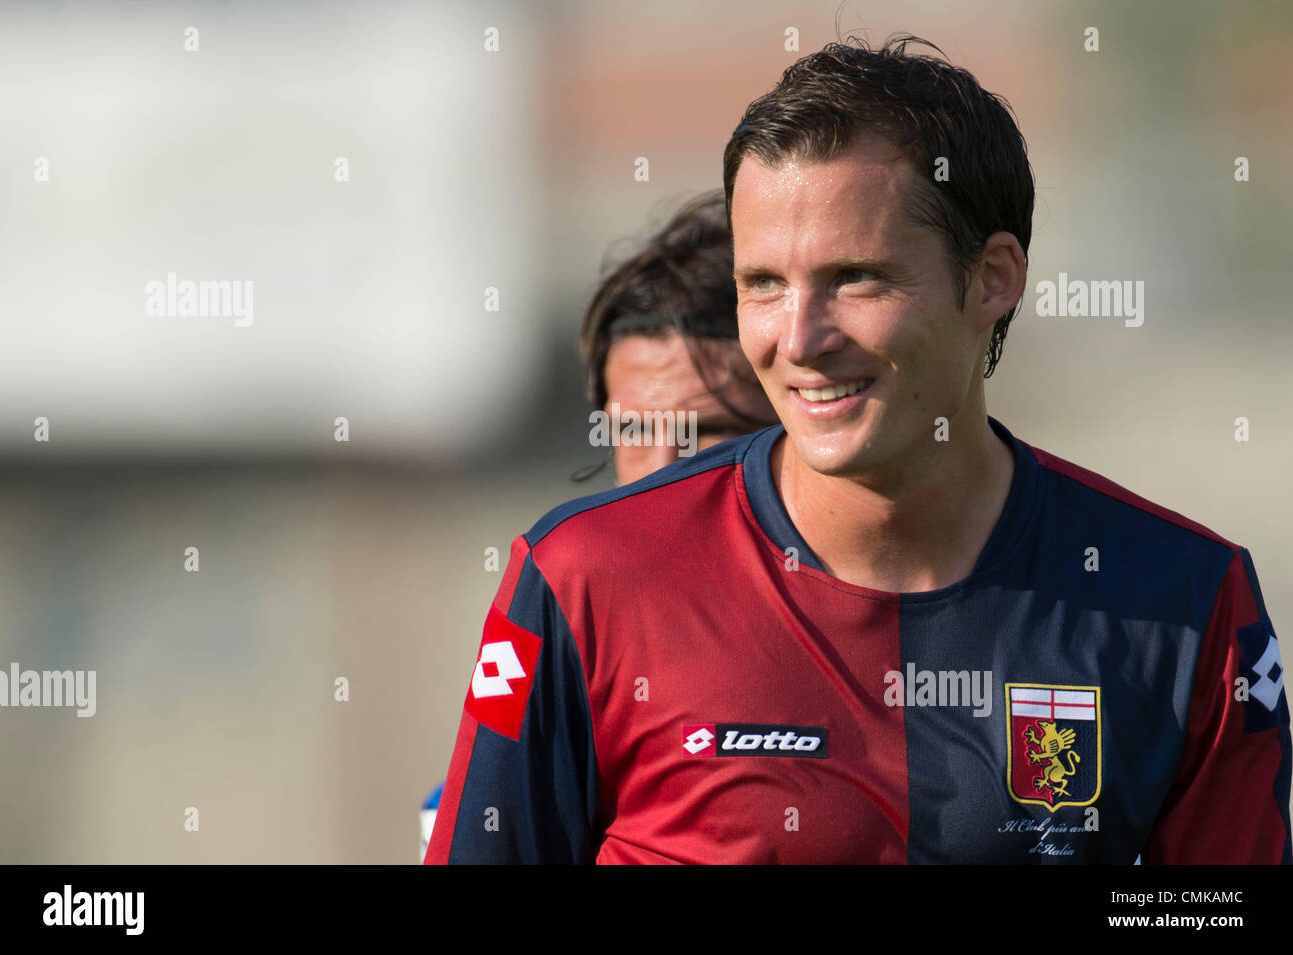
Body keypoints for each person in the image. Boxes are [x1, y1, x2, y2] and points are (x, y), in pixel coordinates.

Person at [426, 36, 1290, 864]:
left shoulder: (1186, 600)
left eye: (856, 279)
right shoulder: (579, 578)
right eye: (763, 284)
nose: (798, 339)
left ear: (992, 278)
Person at [420, 191, 775, 861]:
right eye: (636, 433)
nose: (663, 473)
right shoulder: (559, 594)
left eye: (713, 435)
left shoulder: (911, 602)